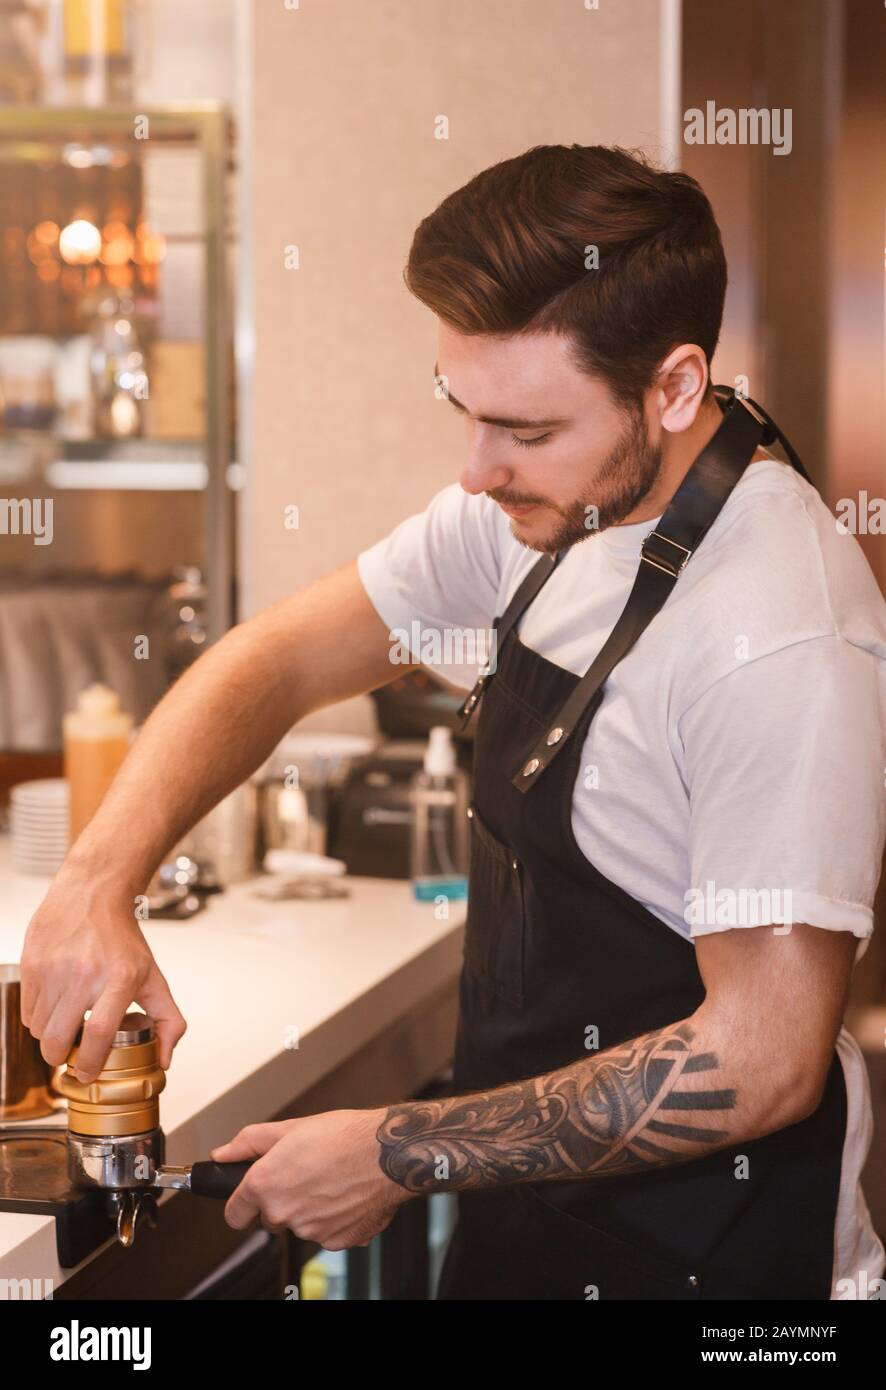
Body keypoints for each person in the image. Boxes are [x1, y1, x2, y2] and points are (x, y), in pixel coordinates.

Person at [22, 145, 885, 1299]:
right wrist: (94, 881)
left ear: (676, 387)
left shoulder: (780, 631)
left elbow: (763, 1056)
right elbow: (279, 659)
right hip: (529, 1231)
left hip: (714, 1268)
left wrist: (399, 1149)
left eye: (524, 429)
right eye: (462, 410)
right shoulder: (542, 505)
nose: (476, 471)